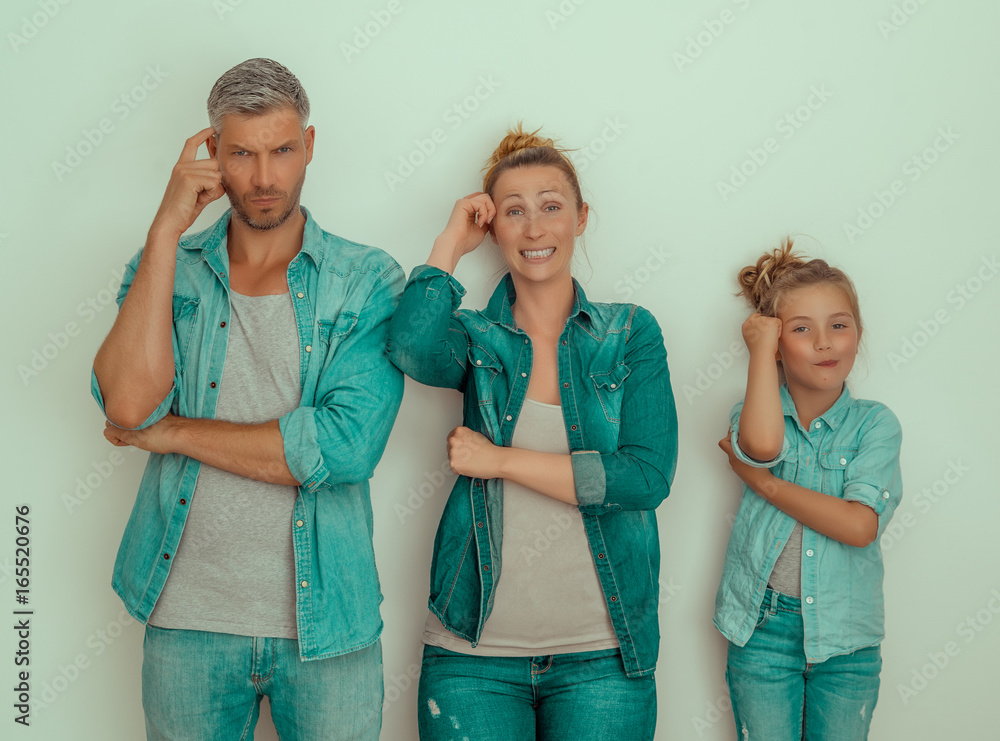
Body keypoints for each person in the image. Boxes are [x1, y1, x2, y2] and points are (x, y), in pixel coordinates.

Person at [90, 58, 403, 741]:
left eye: (282, 151)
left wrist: (171, 433)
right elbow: (125, 407)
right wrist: (164, 233)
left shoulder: (365, 279)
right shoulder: (170, 270)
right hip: (187, 620)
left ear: (310, 147)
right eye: (242, 153)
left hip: (329, 629)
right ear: (210, 154)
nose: (264, 178)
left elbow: (343, 447)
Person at [385, 125, 678, 740]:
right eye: (513, 212)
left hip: (603, 654)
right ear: (494, 228)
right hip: (473, 657)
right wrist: (449, 244)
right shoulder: (474, 337)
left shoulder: (629, 334)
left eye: (551, 207)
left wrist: (501, 461)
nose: (535, 227)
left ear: (581, 218)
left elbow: (646, 478)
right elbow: (410, 347)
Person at [714, 239, 903, 740]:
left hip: (847, 642)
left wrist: (766, 486)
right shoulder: (755, 409)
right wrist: (759, 349)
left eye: (838, 325)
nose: (825, 343)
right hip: (763, 632)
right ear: (777, 345)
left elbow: (859, 525)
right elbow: (759, 443)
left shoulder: (874, 425)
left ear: (858, 336)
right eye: (801, 329)